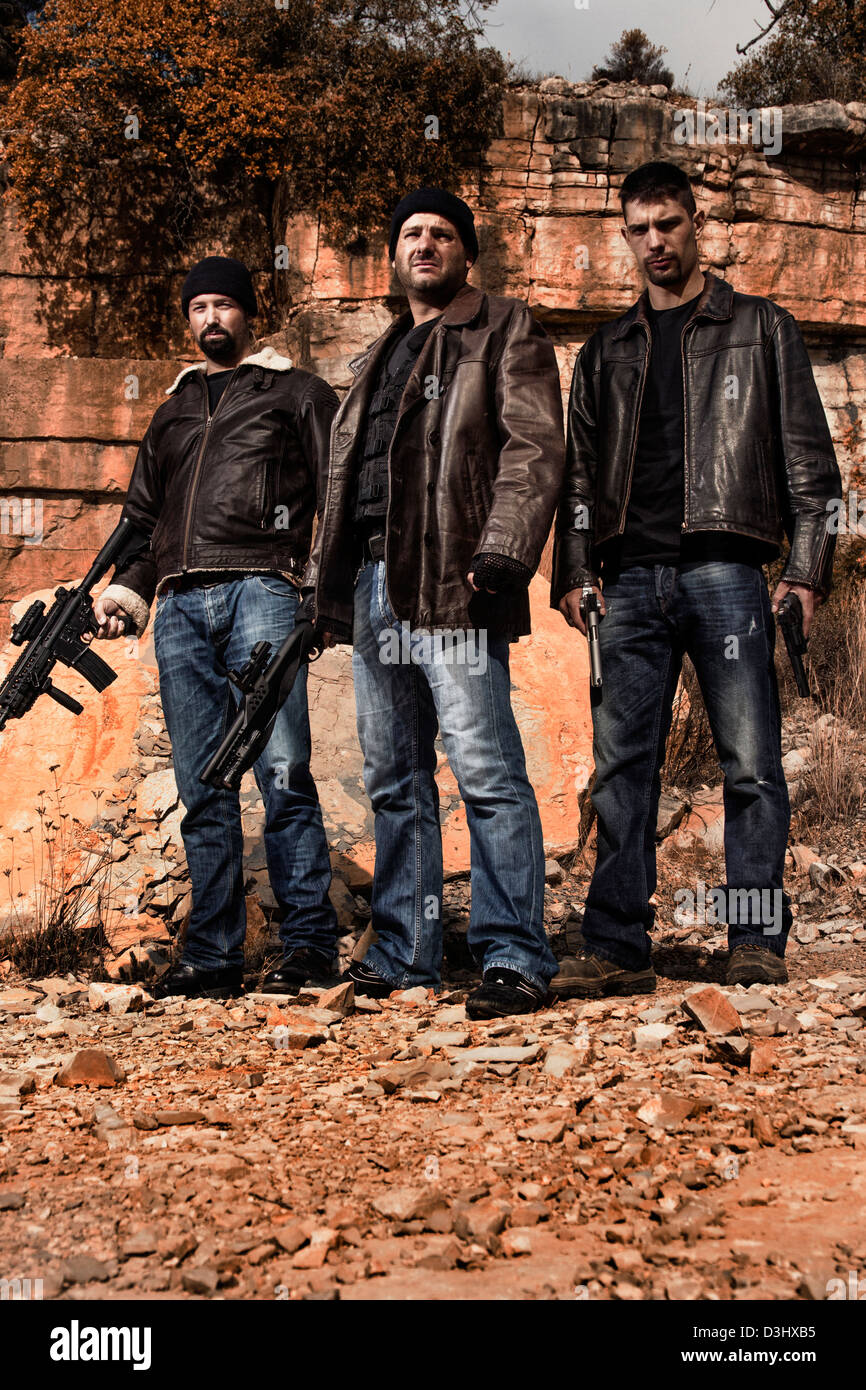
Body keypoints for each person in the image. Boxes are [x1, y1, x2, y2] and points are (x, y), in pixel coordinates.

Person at [550, 161, 841, 998]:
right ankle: (616, 945)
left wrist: (806, 573)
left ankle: (753, 939)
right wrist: (574, 571)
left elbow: (811, 470)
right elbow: (575, 482)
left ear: (695, 224)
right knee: (622, 768)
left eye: (667, 225)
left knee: (748, 762)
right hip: (629, 580)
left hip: (727, 572)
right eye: (638, 229)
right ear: (625, 236)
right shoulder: (605, 351)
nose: (654, 242)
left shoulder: (761, 327)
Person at [305, 188, 565, 1018]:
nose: (425, 244)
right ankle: (405, 952)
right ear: (394, 255)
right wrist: (326, 586)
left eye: (442, 234)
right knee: (392, 775)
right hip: (377, 580)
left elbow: (534, 444)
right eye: (411, 233)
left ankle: (514, 955)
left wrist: (506, 546)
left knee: (485, 767)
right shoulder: (377, 355)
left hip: (458, 576)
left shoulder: (503, 327)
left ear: (465, 253)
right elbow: (348, 487)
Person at [94, 255, 339, 999]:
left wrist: (320, 592)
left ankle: (308, 946)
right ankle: (213, 955)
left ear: (247, 314)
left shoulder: (297, 392)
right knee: (204, 786)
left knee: (284, 771)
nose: (211, 319)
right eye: (198, 306)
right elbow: (143, 521)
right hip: (178, 606)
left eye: (224, 305)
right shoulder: (171, 410)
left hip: (263, 587)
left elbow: (340, 488)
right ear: (188, 318)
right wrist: (126, 593)